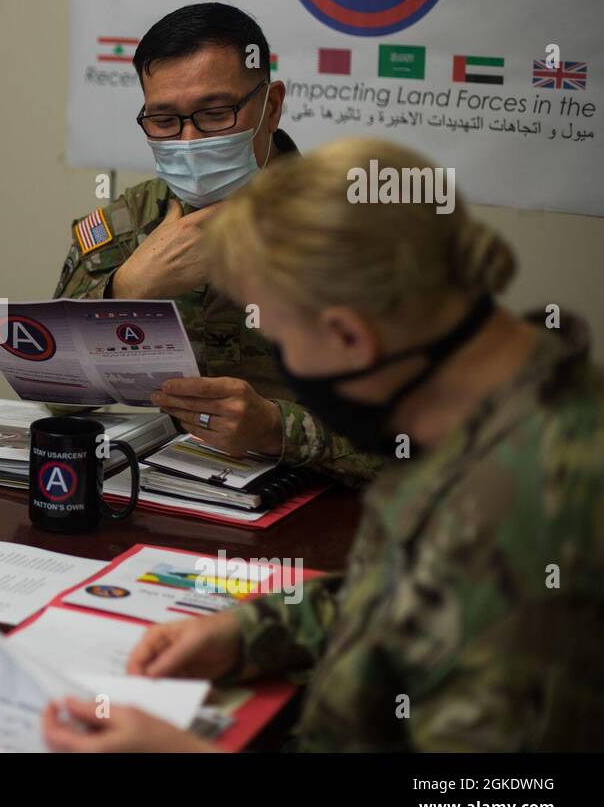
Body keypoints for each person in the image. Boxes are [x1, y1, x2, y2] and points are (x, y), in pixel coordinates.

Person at [43, 137, 604, 752]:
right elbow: (403, 600)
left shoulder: (530, 513)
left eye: (279, 338)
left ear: (348, 337)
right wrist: (253, 631)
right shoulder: (493, 402)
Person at [55, 3, 377, 485]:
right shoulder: (127, 225)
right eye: (164, 120)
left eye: (214, 114)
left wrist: (275, 428)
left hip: (312, 519)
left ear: (270, 106)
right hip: (149, 501)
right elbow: (56, 393)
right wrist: (125, 292)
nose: (188, 140)